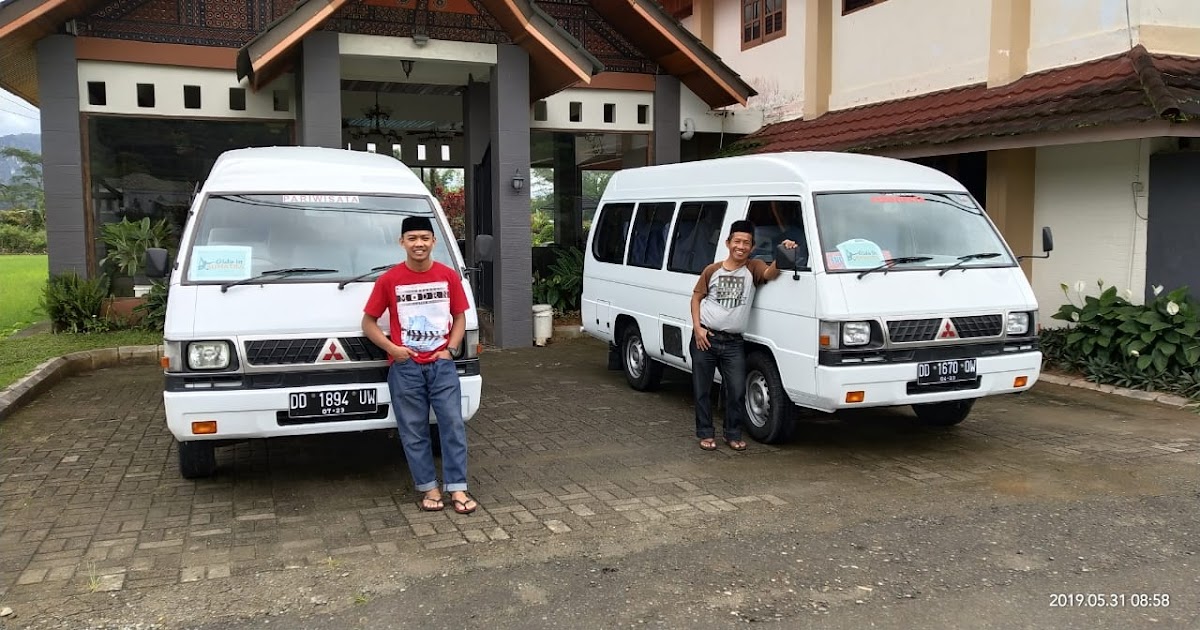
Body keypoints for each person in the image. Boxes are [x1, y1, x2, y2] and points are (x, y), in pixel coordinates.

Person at [362, 215, 478, 514]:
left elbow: (460, 315)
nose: (419, 244)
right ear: (402, 242)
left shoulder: (448, 276)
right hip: (406, 368)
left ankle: (458, 488)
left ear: (433, 242)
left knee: (452, 425)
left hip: (441, 366)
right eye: (412, 238)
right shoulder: (389, 279)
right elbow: (369, 322)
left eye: (424, 238)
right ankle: (429, 488)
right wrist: (392, 349)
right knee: (413, 431)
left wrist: (450, 349)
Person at [690, 219, 798, 451]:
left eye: (746, 243)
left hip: (733, 343)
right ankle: (706, 433)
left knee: (737, 391)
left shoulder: (753, 267)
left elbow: (771, 273)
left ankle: (733, 434)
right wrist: (698, 328)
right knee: (702, 390)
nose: (741, 246)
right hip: (705, 337)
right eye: (737, 241)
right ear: (728, 243)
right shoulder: (712, 270)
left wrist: (784, 251)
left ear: (752, 246)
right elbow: (696, 297)